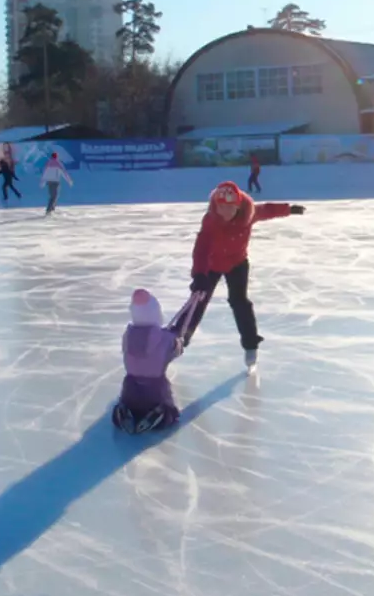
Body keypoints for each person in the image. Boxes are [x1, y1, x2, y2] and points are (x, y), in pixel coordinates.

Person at [183, 181, 306, 369]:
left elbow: (267, 210)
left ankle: (250, 344)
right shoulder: (211, 220)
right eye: (221, 206)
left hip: (236, 263)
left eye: (229, 207)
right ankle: (180, 338)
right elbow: (201, 249)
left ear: (238, 205)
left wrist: (288, 209)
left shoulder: (249, 213)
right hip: (211, 264)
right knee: (198, 299)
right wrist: (199, 274)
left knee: (239, 301)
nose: (225, 211)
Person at [111, 289, 200, 434]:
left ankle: (124, 409)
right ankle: (159, 415)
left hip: (130, 385)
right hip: (155, 388)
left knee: (130, 401)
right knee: (172, 414)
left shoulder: (127, 335)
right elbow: (176, 351)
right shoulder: (165, 338)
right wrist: (179, 342)